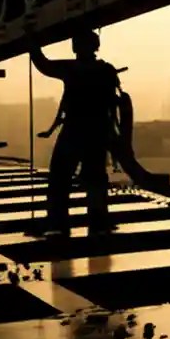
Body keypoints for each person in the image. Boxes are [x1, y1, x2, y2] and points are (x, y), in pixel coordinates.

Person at [30, 30, 121, 238]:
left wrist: (32, 44)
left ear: (76, 47)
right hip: (97, 131)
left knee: (59, 179)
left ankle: (58, 222)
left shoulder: (71, 68)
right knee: (95, 178)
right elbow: (112, 108)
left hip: (74, 130)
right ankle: (98, 222)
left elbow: (44, 64)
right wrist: (114, 136)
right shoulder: (105, 70)